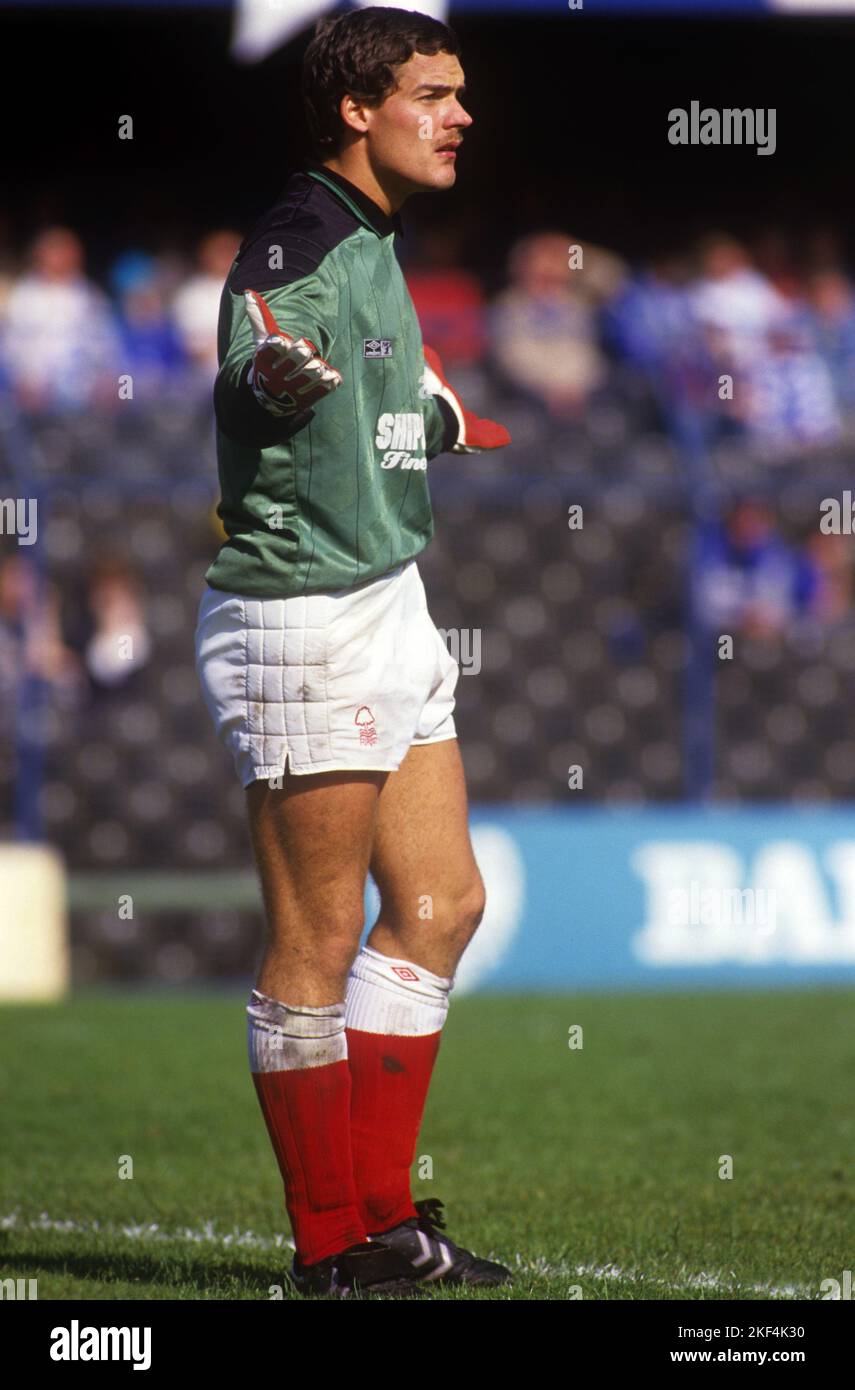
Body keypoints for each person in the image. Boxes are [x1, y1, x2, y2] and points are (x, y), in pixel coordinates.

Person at [194, 6, 512, 1298]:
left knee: (443, 908)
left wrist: (429, 408)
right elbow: (261, 341)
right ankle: (330, 1244)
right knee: (316, 941)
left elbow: (382, 384)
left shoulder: (377, 235)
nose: (460, 113)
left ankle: (388, 1223)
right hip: (303, 617)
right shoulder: (301, 239)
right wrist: (274, 370)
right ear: (355, 109)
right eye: (433, 93)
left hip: (389, 596)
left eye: (459, 92)